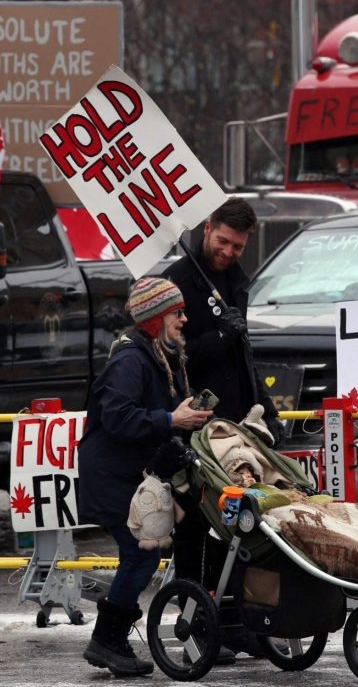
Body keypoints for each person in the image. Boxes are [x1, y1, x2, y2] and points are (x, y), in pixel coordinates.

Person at [162, 197, 282, 657]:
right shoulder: (178, 280)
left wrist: (265, 407)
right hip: (194, 423)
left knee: (240, 526)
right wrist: (219, 336)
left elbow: (243, 357)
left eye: (238, 246)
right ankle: (194, 621)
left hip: (237, 425)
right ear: (207, 227)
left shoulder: (234, 281)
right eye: (223, 241)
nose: (229, 251)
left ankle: (232, 620)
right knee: (195, 526)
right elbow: (174, 355)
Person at [77, 276, 213, 677]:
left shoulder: (159, 356)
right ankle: (107, 640)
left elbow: (156, 411)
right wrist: (172, 417)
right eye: (177, 312)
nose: (184, 320)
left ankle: (109, 639)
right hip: (112, 476)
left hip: (132, 475)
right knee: (141, 553)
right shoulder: (130, 360)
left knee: (141, 554)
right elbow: (117, 417)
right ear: (155, 318)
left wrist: (187, 414)